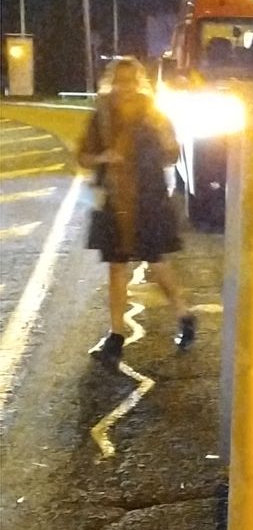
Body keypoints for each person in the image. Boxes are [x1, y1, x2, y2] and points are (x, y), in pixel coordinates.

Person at [78, 57, 195, 366]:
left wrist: (169, 142)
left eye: (131, 80)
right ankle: (115, 338)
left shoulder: (154, 114)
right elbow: (83, 157)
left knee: (156, 264)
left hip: (148, 200)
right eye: (120, 80)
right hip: (115, 200)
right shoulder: (101, 115)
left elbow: (172, 155)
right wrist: (104, 156)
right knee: (116, 268)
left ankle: (184, 316)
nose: (125, 86)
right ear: (111, 81)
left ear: (139, 81)